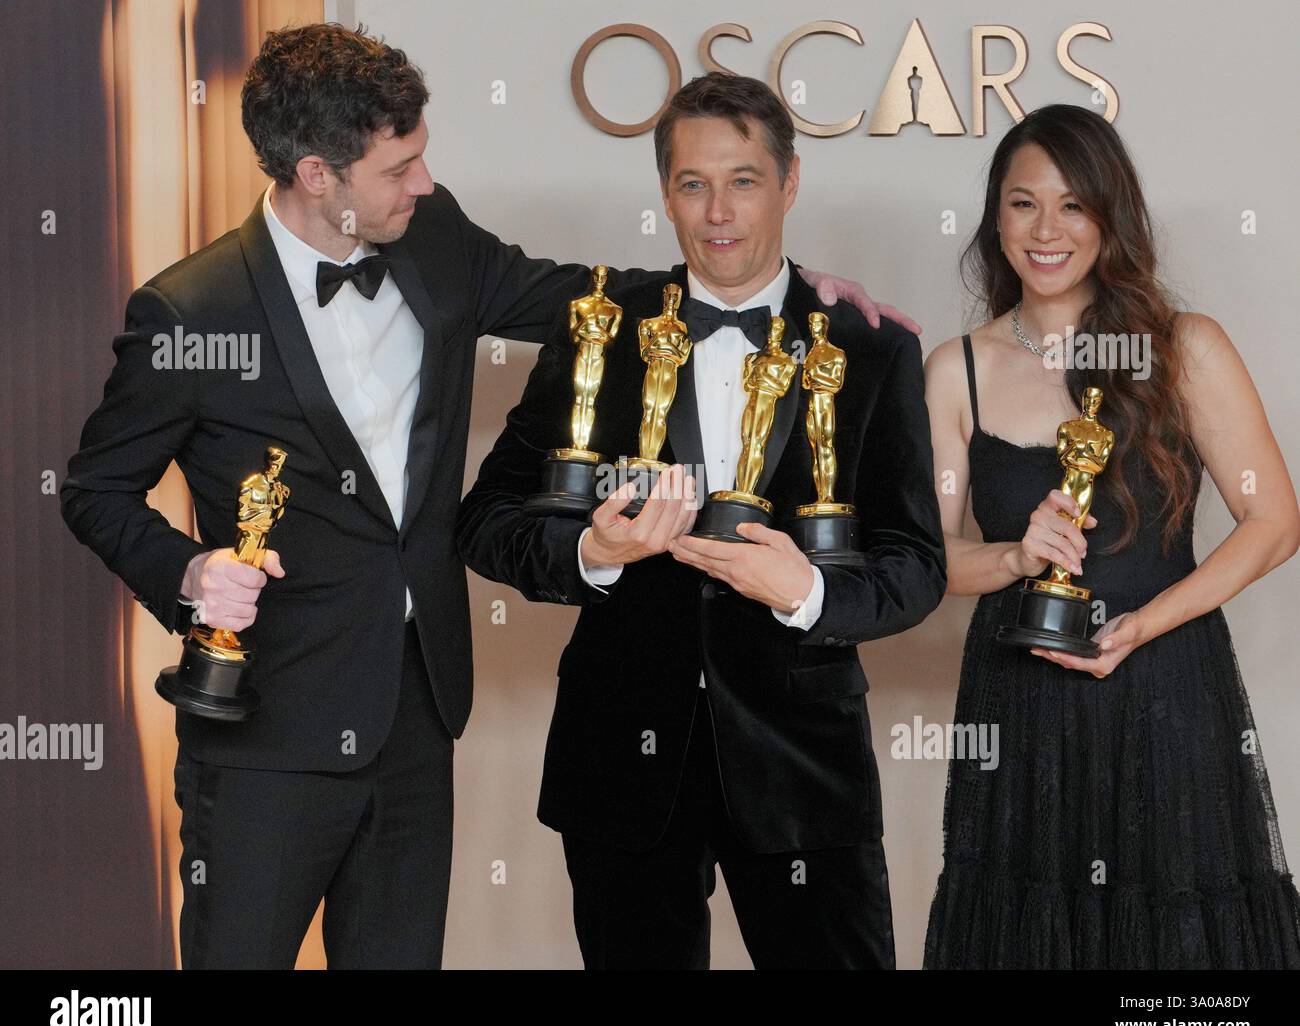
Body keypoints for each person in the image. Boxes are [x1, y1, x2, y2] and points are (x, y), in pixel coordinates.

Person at [59, 24, 913, 969]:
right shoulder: (191, 311)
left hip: (419, 721)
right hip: (269, 725)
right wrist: (188, 572)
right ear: (315, 174)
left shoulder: (434, 240)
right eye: (400, 167)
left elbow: (589, 301)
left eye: (422, 159)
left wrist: (793, 302)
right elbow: (96, 489)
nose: (424, 183)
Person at [455, 72, 946, 969]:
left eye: (745, 180)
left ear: (790, 183)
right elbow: (484, 520)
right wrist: (590, 555)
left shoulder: (872, 347)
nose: (718, 211)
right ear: (665, 193)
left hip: (804, 772)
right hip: (618, 766)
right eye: (693, 183)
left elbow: (917, 564)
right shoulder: (597, 331)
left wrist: (808, 594)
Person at [921, 103, 1300, 968]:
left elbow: (1274, 521)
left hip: (1166, 687)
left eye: (1072, 206)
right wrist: (1018, 555)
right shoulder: (956, 370)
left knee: (1176, 958)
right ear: (996, 217)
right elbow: (932, 559)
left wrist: (1145, 626)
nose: (1046, 230)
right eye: (1023, 204)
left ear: (1109, 216)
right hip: (1020, 704)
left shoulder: (1181, 348)